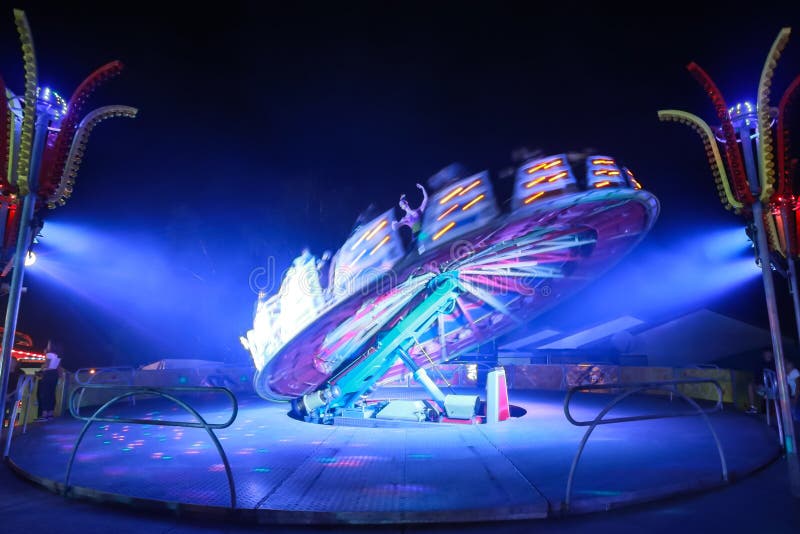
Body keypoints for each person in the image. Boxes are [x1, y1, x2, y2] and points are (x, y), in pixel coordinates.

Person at [35, 340, 64, 421]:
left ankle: (44, 414)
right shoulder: (58, 355)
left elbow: (46, 365)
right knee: (51, 393)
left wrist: (42, 365)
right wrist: (61, 377)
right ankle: (50, 413)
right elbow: (58, 367)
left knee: (44, 393)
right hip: (54, 374)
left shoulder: (49, 354)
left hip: (48, 374)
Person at [746, 348, 775, 414]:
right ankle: (753, 408)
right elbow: (756, 377)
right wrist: (758, 384)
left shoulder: (775, 364)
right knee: (750, 385)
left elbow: (776, 377)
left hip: (772, 387)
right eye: (766, 353)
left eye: (769, 353)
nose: (767, 355)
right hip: (761, 387)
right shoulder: (760, 364)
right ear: (763, 355)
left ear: (772, 354)